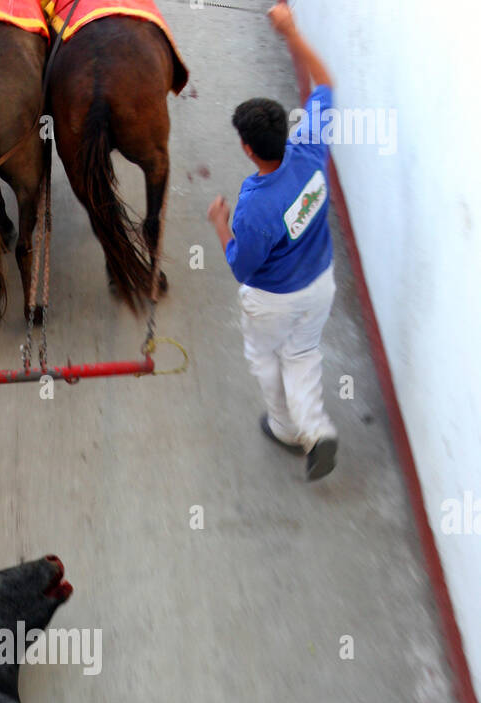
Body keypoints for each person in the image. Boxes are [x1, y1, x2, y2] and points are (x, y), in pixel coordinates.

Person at [207, 3, 338, 481]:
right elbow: (324, 85)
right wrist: (292, 33)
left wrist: (220, 223)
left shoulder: (255, 206)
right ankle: (316, 430)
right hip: (320, 284)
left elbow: (242, 267)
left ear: (247, 148)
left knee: (266, 360)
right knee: (302, 354)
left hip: (273, 301)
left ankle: (286, 427)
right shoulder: (309, 148)